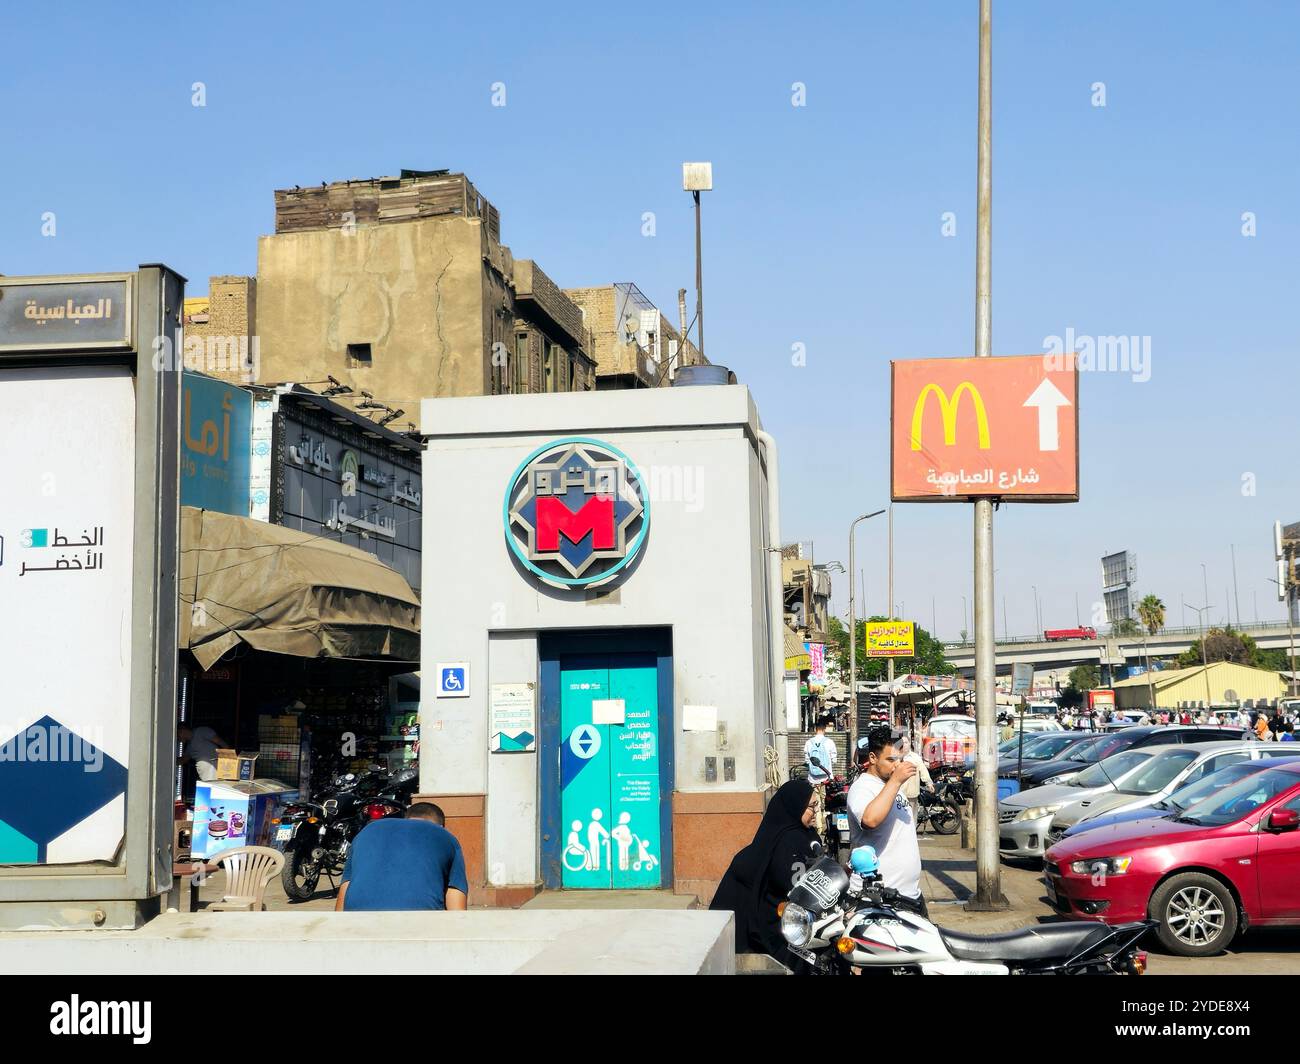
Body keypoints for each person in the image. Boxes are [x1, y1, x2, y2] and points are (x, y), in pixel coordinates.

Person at [709, 780, 819, 965]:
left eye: (817, 805)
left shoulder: (800, 833)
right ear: (796, 806)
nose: (816, 812)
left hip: (777, 918)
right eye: (811, 806)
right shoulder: (787, 841)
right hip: (763, 926)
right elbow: (794, 885)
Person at [847, 726, 925, 916]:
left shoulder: (889, 785)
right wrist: (896, 781)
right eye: (890, 760)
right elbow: (870, 820)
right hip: (878, 898)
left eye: (899, 760)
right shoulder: (863, 787)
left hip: (908, 896)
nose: (896, 766)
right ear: (873, 758)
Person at [335, 803, 468, 911]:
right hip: (420, 921)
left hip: (358, 918)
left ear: (406, 819)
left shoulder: (367, 831)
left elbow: (346, 884)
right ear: (441, 827)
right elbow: (455, 894)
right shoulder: (445, 836)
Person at [895, 736, 932, 828]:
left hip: (912, 794)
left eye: (906, 742)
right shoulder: (896, 758)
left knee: (911, 819)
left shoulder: (915, 758)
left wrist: (929, 783)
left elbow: (923, 771)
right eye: (902, 743)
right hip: (898, 794)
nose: (904, 745)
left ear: (910, 744)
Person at [803, 716, 837, 784]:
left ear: (815, 729)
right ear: (824, 729)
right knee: (825, 794)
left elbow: (807, 760)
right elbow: (834, 760)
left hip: (812, 777)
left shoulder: (809, 742)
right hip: (826, 776)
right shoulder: (829, 742)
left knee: (814, 794)